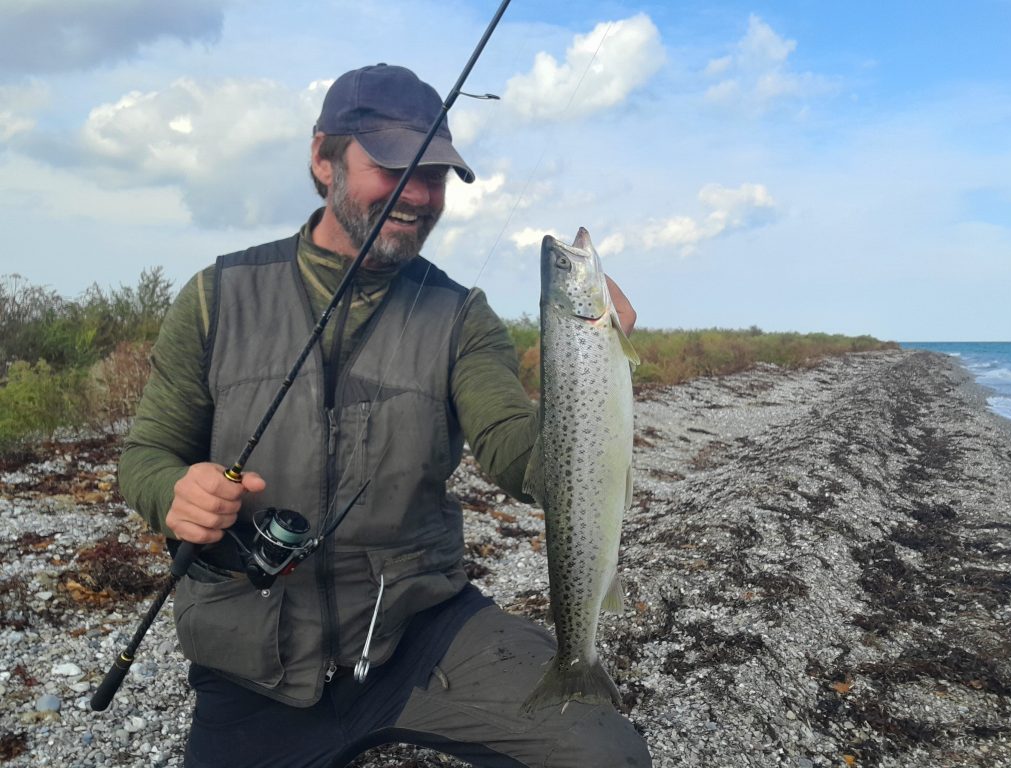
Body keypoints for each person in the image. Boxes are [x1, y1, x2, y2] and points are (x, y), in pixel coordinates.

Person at [119, 63, 650, 768]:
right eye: (394, 165)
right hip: (254, 654)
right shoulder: (217, 297)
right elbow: (146, 456)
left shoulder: (463, 318)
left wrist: (583, 386)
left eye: (435, 174)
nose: (419, 195)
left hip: (419, 629)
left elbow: (524, 461)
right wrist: (174, 495)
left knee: (601, 754)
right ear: (322, 157)